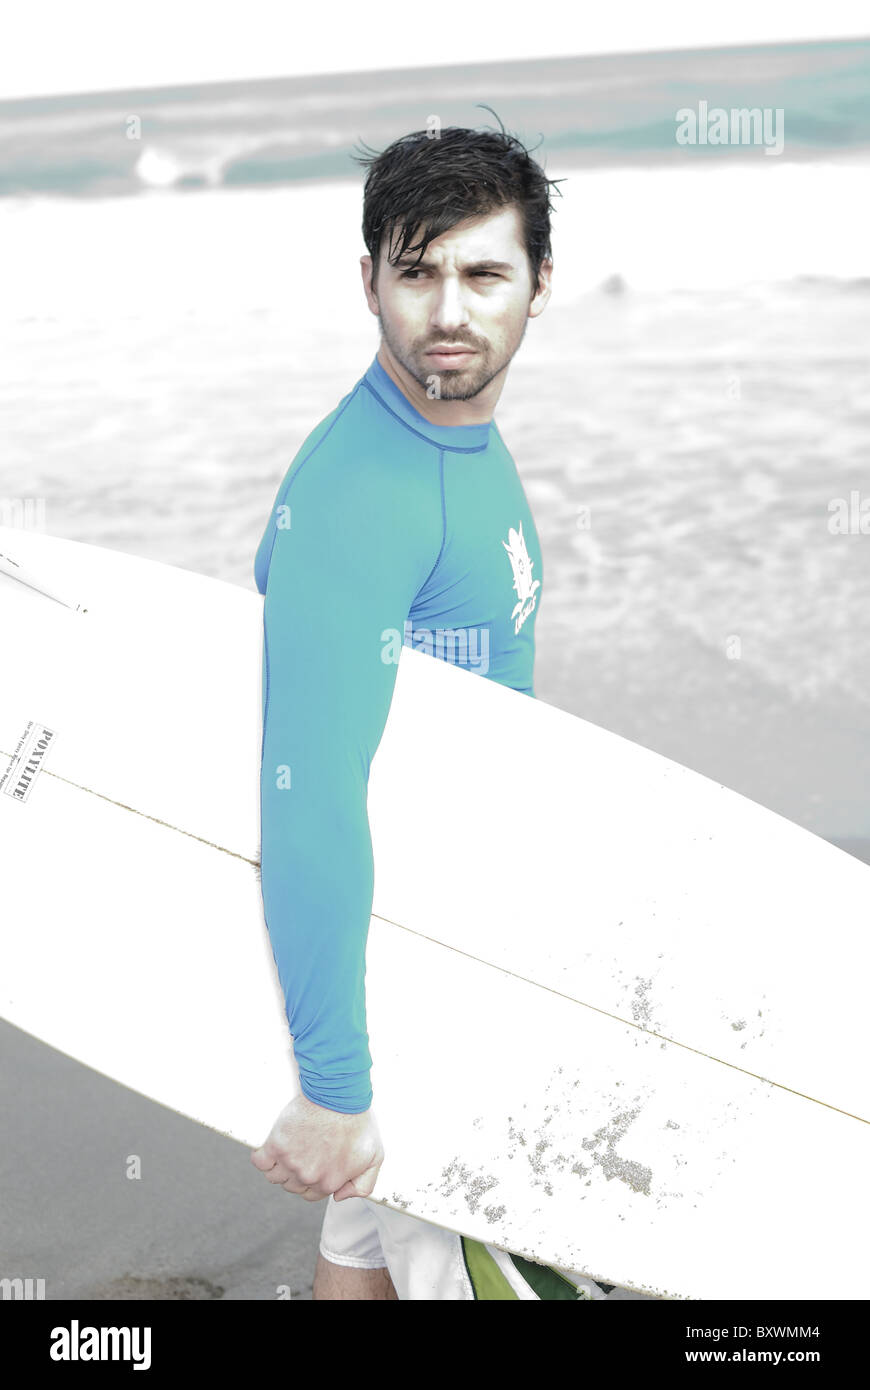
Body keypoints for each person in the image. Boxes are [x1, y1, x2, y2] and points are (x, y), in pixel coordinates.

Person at [249, 115, 610, 1300]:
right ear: (370, 283)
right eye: (416, 272)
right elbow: (306, 792)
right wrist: (338, 1089)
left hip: (455, 942)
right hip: (412, 999)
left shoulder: (461, 447)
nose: (448, 311)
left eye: (482, 272)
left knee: (363, 1260)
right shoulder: (365, 497)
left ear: (540, 284)